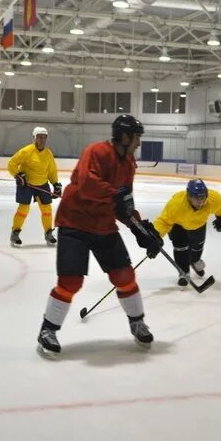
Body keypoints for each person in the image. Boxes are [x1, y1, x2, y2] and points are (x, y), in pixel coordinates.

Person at [35, 114, 163, 356]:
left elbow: (123, 203)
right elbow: (86, 183)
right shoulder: (96, 151)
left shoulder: (129, 164)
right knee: (70, 282)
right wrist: (114, 194)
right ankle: (47, 329)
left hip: (103, 226)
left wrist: (140, 228)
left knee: (125, 276)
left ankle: (137, 322)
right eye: (137, 137)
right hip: (75, 222)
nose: (139, 143)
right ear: (124, 136)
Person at [152, 179, 221, 287]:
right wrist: (155, 236)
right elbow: (163, 222)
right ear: (188, 196)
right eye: (195, 198)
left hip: (198, 224)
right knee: (180, 247)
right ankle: (184, 272)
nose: (200, 202)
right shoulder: (176, 205)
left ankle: (195, 260)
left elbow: (219, 208)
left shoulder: (214, 199)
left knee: (197, 246)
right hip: (178, 224)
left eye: (202, 198)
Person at [7, 126, 62, 246]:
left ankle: (48, 233)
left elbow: (52, 171)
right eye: (39, 137)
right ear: (34, 138)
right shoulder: (26, 151)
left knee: (47, 209)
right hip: (26, 184)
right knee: (23, 209)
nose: (42, 139)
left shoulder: (48, 153)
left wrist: (56, 184)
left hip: (42, 184)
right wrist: (18, 175)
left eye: (44, 137)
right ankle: (15, 232)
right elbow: (12, 164)